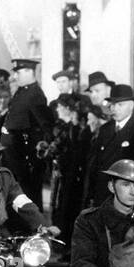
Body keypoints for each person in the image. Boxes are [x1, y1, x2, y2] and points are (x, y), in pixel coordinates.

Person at [85, 83, 134, 212]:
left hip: (126, 201)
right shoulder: (105, 129)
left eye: (120, 105)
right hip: (102, 197)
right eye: (112, 105)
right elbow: (95, 164)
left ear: (131, 106)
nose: (115, 109)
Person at [1, 59, 52, 203]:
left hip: (23, 153)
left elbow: (42, 126)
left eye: (18, 73)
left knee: (27, 193)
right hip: (13, 151)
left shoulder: (36, 95)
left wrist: (32, 154)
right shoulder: (22, 91)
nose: (15, 76)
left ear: (30, 72)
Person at [43, 93, 89, 234]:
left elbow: (73, 153)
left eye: (60, 107)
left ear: (67, 109)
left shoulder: (74, 129)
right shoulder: (63, 127)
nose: (57, 110)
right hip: (60, 174)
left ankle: (64, 240)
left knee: (65, 208)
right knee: (57, 207)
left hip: (69, 176)